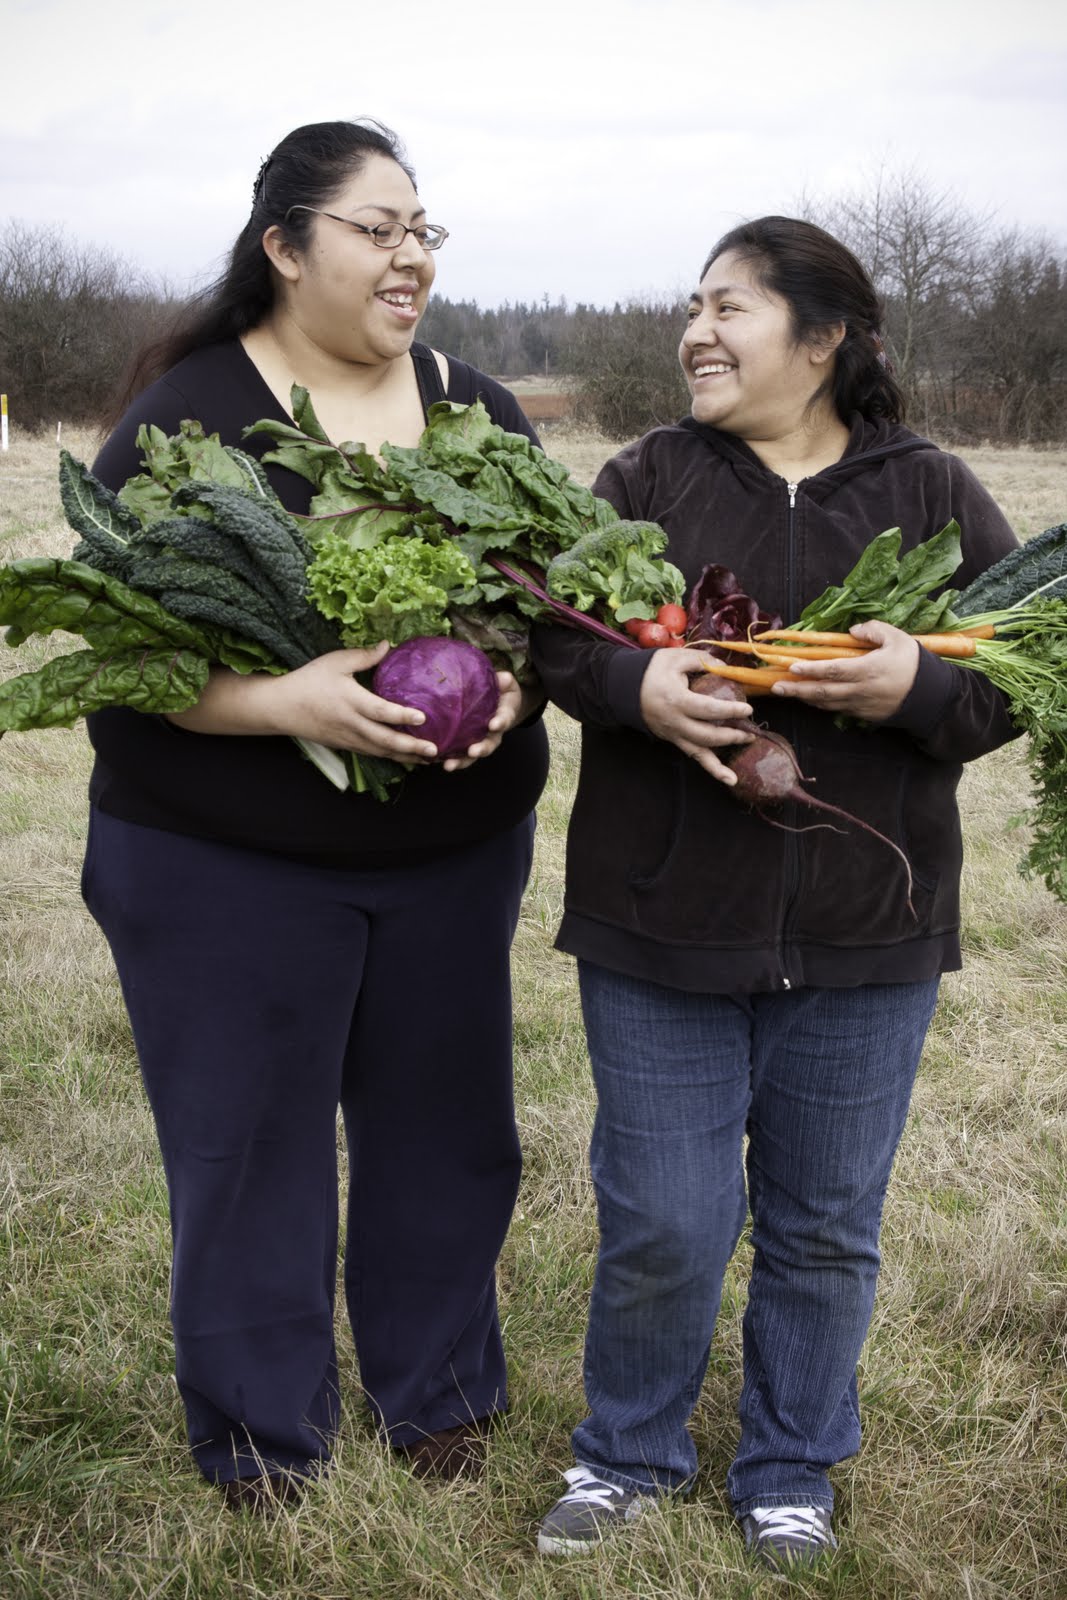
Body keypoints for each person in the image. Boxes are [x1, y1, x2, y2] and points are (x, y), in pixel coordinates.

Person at [531, 216, 1019, 1570]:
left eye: (730, 307)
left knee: (822, 1226)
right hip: (660, 923)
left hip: (869, 933)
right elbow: (549, 634)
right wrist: (635, 686)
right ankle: (625, 1452)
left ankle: (790, 1463)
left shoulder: (928, 492)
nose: (697, 330)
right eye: (693, 304)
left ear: (824, 340)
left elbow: (1016, 678)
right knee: (665, 1220)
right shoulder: (644, 477)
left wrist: (916, 685)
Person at [83, 118, 549, 1509]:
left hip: (453, 854)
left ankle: (442, 1398)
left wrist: (516, 693)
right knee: (248, 1144)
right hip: (224, 858)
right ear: (286, 247)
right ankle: (260, 1438)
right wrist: (289, 702)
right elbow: (119, 659)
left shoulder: (476, 407)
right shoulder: (189, 422)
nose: (410, 256)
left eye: (424, 230)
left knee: (448, 1130)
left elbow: (544, 607)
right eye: (377, 227)